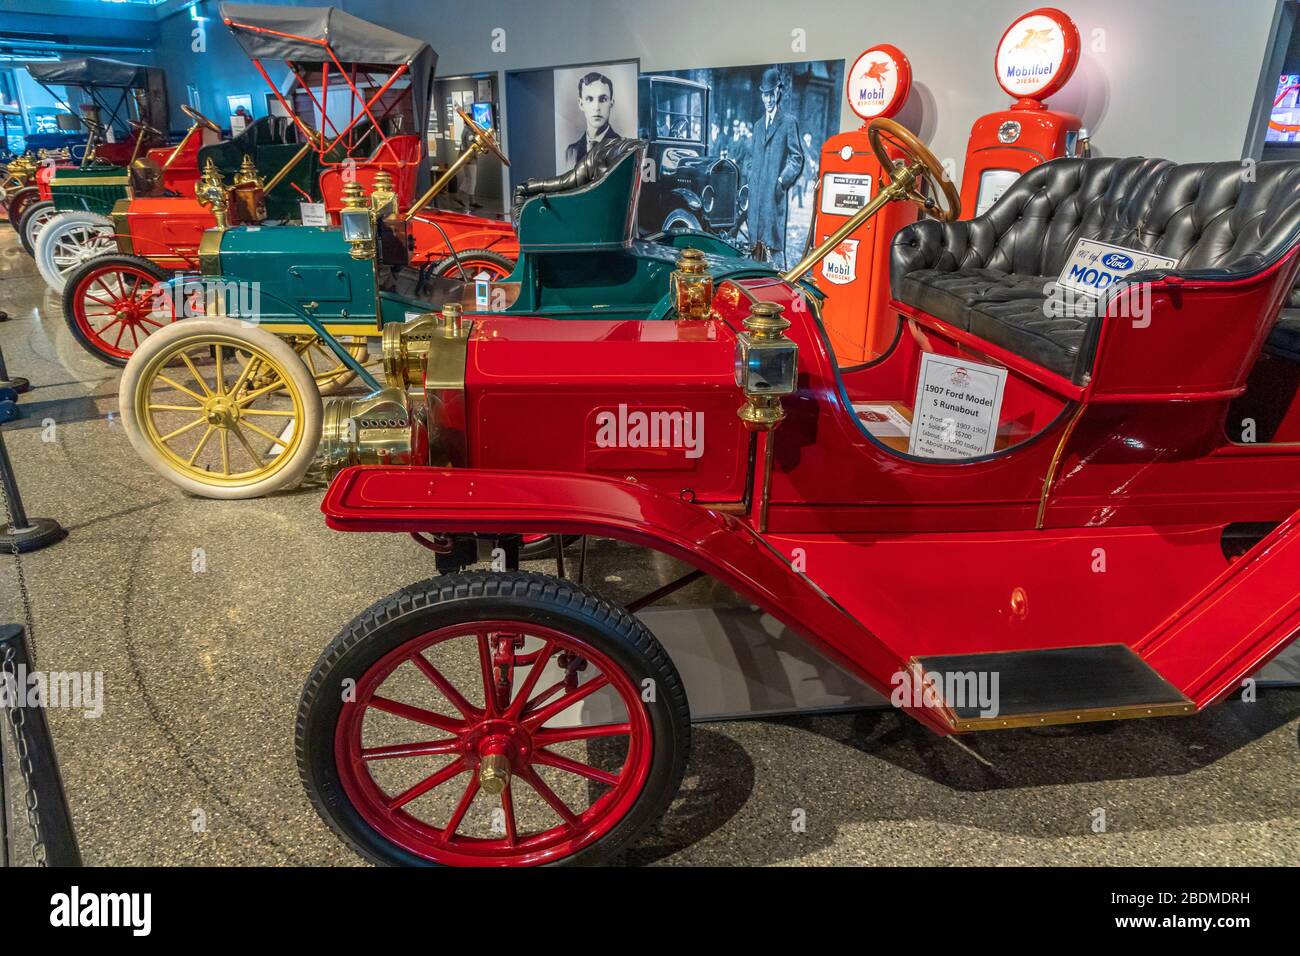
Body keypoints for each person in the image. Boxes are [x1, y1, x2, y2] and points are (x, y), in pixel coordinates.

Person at [747, 67, 804, 268]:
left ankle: (782, 291)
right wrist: (751, 178)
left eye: (771, 94)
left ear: (778, 92)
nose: (768, 99)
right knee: (755, 251)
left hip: (773, 198)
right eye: (765, 95)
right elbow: (750, 157)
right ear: (761, 96)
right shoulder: (757, 126)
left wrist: (781, 182)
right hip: (755, 200)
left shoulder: (788, 123)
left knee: (775, 253)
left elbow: (797, 158)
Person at [565, 72, 620, 168]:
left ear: (611, 103)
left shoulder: (622, 148)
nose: (596, 107)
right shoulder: (571, 152)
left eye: (603, 99)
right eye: (589, 99)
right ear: (581, 104)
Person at [458, 119, 480, 209]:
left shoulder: (465, 130)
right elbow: (471, 147)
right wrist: (474, 156)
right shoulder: (469, 132)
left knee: (467, 179)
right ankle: (472, 200)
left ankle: (458, 196)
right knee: (472, 180)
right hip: (470, 160)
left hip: (466, 159)